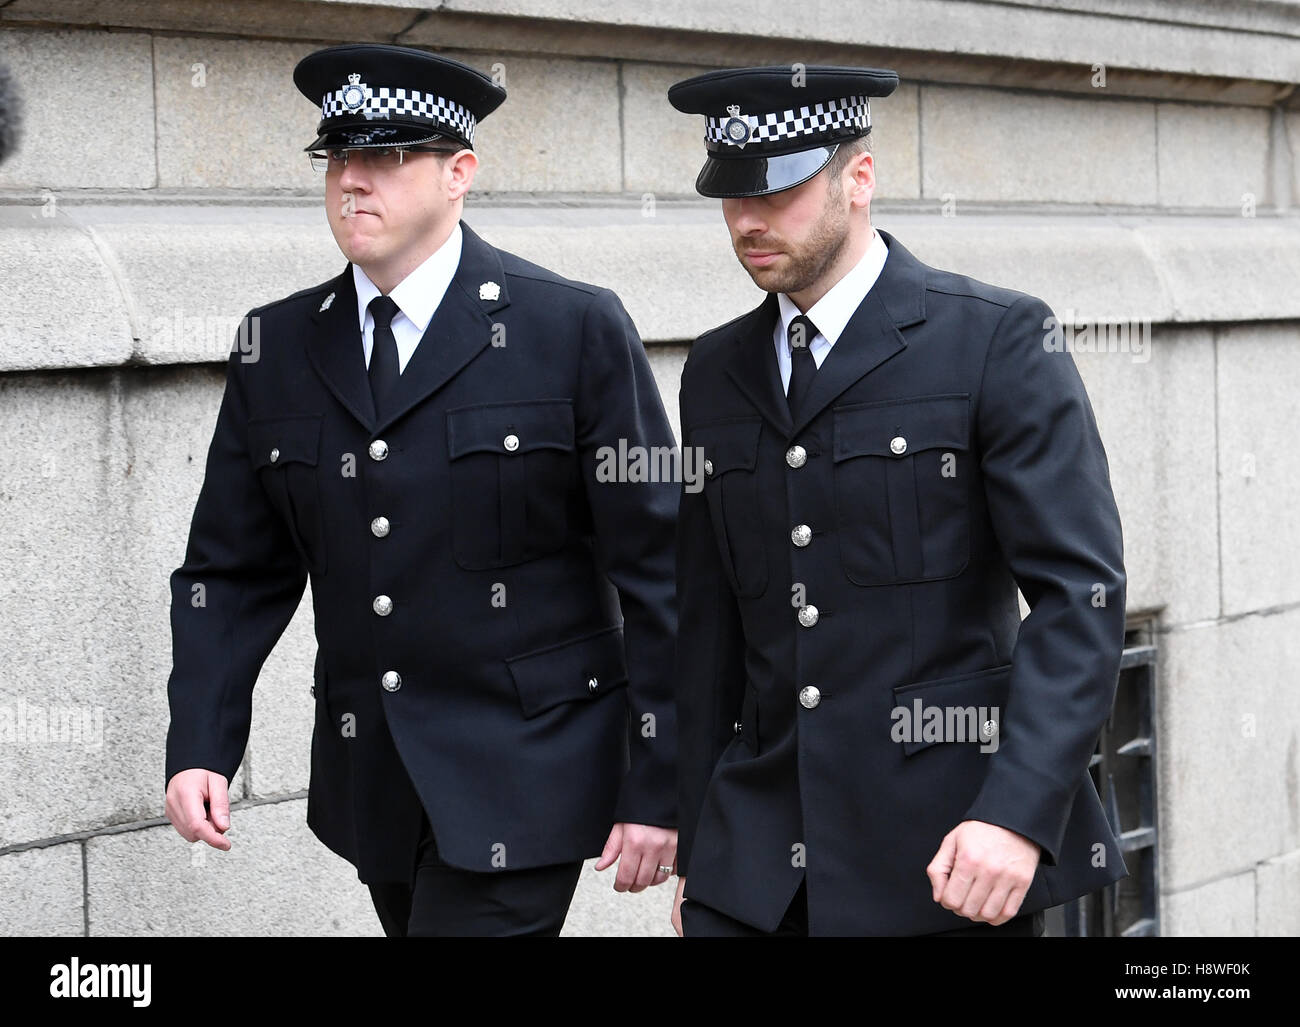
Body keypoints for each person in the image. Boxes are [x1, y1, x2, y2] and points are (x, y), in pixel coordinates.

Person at [164, 43, 679, 937]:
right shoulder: (278, 346)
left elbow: (666, 569)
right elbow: (232, 570)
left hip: (531, 772)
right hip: (375, 785)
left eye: (386, 158)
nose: (352, 182)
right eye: (337, 158)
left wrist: (663, 777)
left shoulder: (571, 328)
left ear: (459, 174)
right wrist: (203, 741)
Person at [666, 64, 1129, 936]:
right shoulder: (715, 372)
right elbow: (707, 625)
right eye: (731, 195)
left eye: (781, 189)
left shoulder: (995, 339)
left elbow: (1080, 596)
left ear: (860, 178)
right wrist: (701, 846)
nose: (749, 220)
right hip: (757, 872)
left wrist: (1019, 812)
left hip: (949, 856)